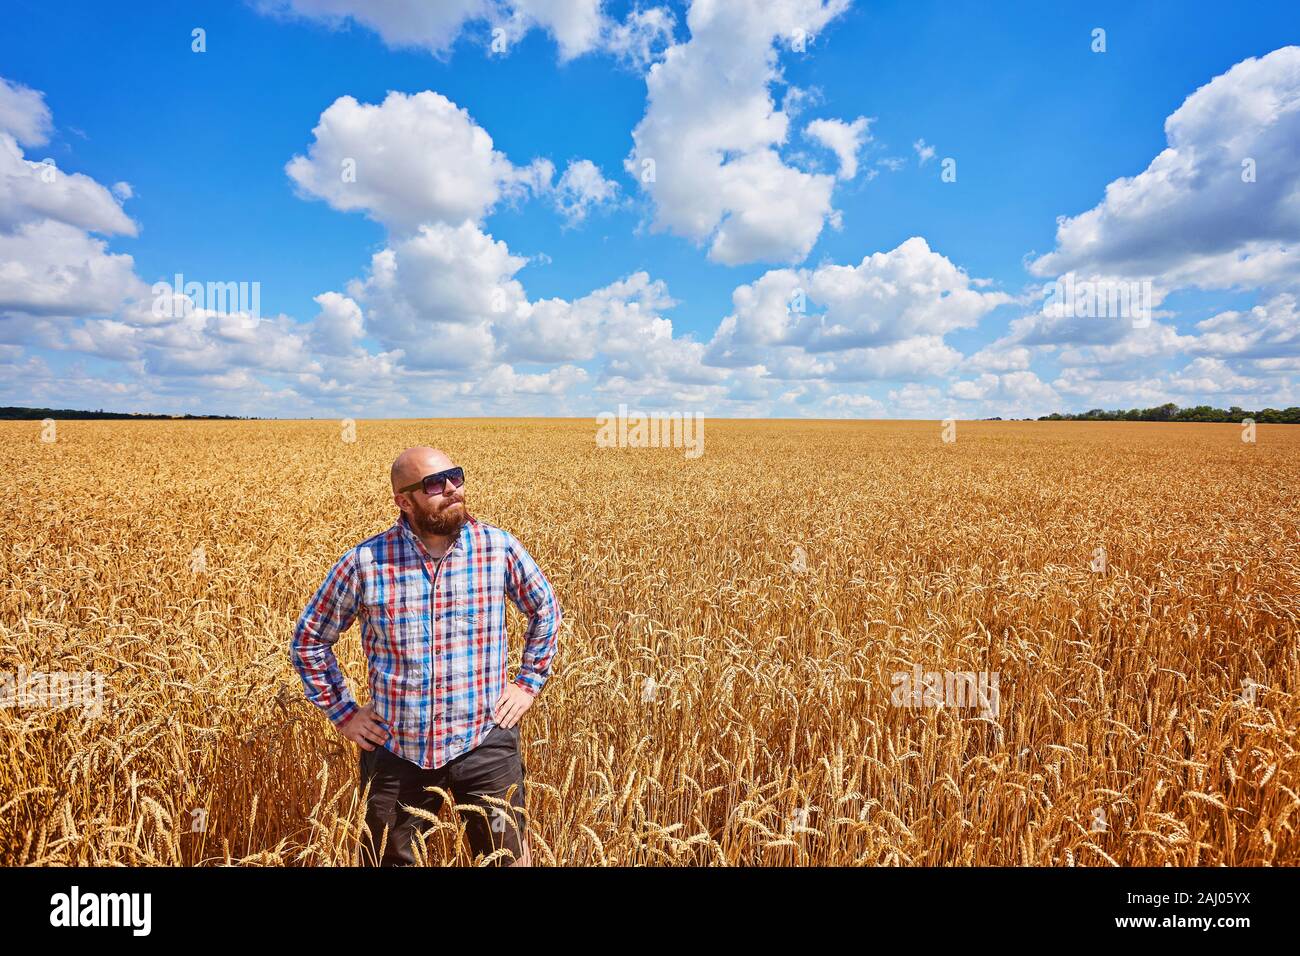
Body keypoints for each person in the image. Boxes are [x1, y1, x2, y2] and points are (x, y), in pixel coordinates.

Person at [290, 446, 561, 866]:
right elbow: (309, 639)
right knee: (386, 860)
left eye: (456, 476)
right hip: (398, 749)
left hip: (485, 738)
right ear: (404, 500)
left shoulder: (497, 548)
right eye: (435, 484)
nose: (452, 489)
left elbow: (545, 609)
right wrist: (343, 713)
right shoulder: (365, 563)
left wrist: (528, 682)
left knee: (506, 858)